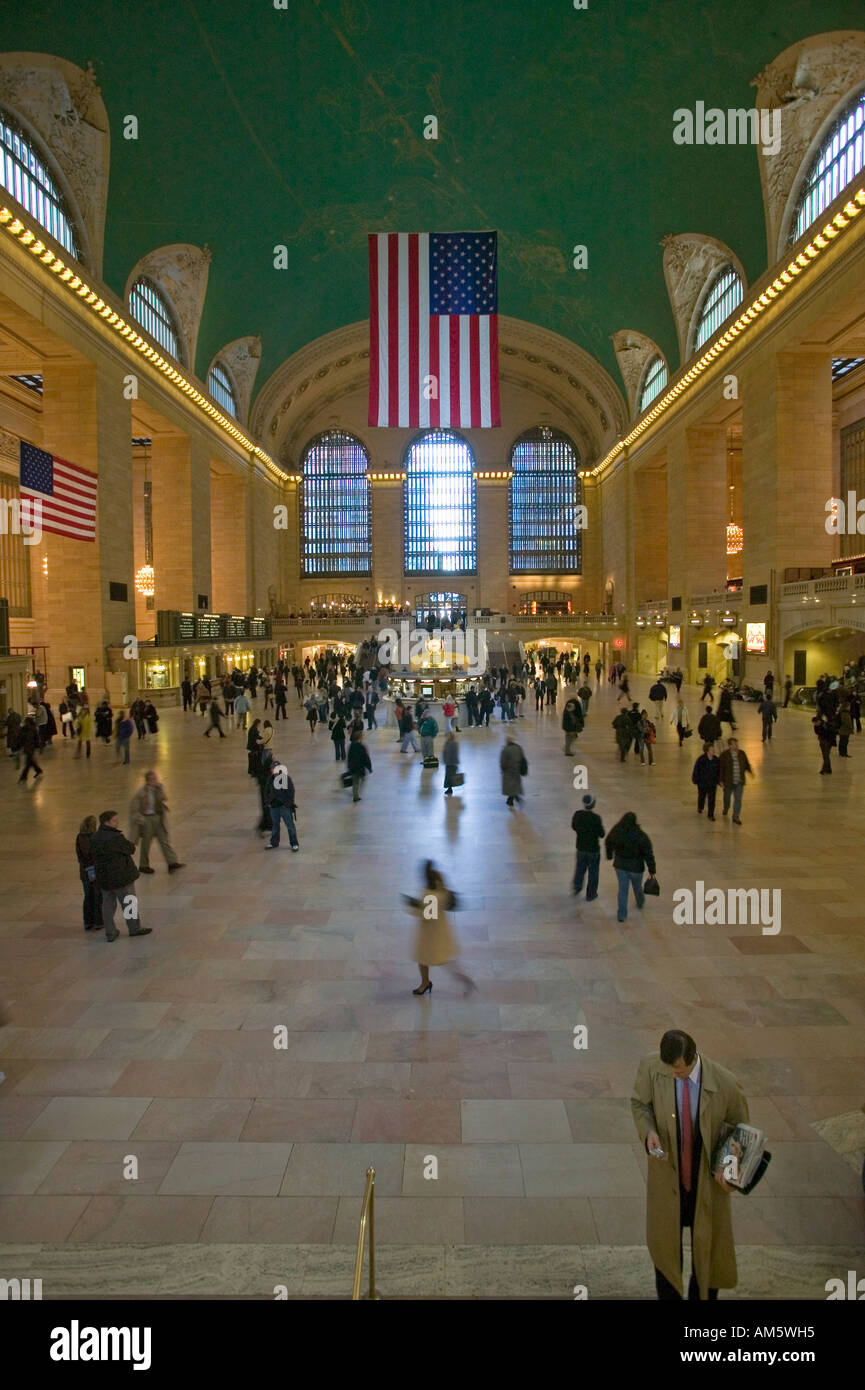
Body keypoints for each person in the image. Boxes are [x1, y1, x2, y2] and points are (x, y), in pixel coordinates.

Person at [631, 1029, 749, 1301]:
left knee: (707, 1253)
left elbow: (742, 1130)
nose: (675, 1075)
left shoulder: (725, 1083)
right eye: (671, 1070)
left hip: (706, 1182)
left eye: (681, 1072)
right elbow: (640, 1105)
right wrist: (648, 1131)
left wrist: (730, 1163)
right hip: (668, 1178)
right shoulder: (652, 1068)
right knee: (665, 1251)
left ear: (693, 1058)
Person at [405, 860, 475, 997]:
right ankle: (425, 982)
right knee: (427, 959)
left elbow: (428, 916)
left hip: (431, 934)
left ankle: (462, 979)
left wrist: (413, 906)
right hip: (439, 930)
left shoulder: (430, 895)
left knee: (437, 959)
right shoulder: (439, 885)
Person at [90, 810, 152, 941]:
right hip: (121, 876)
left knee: (107, 906)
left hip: (104, 877)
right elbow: (131, 849)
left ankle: (110, 932)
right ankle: (134, 928)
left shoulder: (95, 837)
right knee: (129, 903)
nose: (117, 822)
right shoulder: (115, 837)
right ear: (106, 822)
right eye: (114, 820)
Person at [605, 811, 656, 922]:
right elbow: (648, 853)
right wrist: (652, 869)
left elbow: (608, 841)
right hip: (636, 868)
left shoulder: (617, 831)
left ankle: (622, 915)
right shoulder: (641, 835)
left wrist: (610, 855)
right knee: (637, 887)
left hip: (620, 866)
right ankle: (640, 902)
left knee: (623, 890)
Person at [130, 770, 184, 874]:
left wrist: (160, 789)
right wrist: (141, 819)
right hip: (147, 820)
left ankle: (171, 862)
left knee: (164, 840)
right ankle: (143, 865)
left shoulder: (158, 789)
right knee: (146, 844)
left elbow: (164, 798)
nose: (156, 781)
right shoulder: (141, 793)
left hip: (158, 818)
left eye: (156, 778)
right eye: (153, 779)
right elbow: (134, 809)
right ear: (148, 781)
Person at [571, 793, 605, 901]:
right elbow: (602, 834)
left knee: (580, 868)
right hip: (593, 849)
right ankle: (591, 894)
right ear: (593, 804)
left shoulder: (577, 814)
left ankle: (577, 886)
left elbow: (574, 826)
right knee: (593, 872)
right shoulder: (596, 818)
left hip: (581, 847)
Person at [75, 815, 103, 931]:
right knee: (98, 896)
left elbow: (79, 855)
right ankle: (98, 922)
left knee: (88, 896)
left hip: (84, 871)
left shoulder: (79, 837)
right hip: (95, 871)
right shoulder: (95, 837)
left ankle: (87, 921)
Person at [265, 764, 299, 850]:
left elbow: (291, 792)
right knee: (275, 825)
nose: (273, 770)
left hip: (284, 807)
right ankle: (274, 842)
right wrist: (268, 802)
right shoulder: (270, 779)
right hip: (274, 807)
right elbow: (266, 791)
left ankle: (294, 843)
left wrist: (287, 804)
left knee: (290, 826)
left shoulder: (286, 778)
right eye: (272, 768)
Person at [717, 737, 752, 823]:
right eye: (734, 744)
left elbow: (746, 764)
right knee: (727, 798)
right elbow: (721, 769)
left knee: (738, 799)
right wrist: (720, 781)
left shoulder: (742, 753)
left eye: (737, 744)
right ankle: (726, 808)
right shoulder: (724, 755)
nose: (737, 746)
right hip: (728, 782)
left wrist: (750, 771)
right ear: (730, 746)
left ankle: (735, 816)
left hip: (739, 781)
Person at [691, 743, 720, 820]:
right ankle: (700, 807)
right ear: (707, 751)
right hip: (702, 783)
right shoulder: (701, 759)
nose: (713, 750)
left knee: (712, 799)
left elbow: (719, 771)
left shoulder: (716, 759)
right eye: (711, 749)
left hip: (712, 783)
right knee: (702, 796)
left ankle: (711, 815)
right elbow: (696, 770)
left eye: (713, 749)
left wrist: (719, 781)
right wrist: (695, 779)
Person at [500, 734, 526, 807]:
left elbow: (503, 762)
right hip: (516, 770)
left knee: (510, 786)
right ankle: (510, 800)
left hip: (508, 771)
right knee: (514, 785)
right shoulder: (518, 748)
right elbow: (522, 758)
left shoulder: (505, 750)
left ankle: (515, 798)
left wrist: (502, 769)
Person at [17, 716, 43, 783]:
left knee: (28, 762)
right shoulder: (28, 729)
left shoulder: (30, 729)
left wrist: (38, 747)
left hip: (30, 747)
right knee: (30, 761)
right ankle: (38, 770)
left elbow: (36, 739)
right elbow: (21, 738)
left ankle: (24, 776)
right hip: (29, 747)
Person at [347, 730, 372, 802]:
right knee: (362, 780)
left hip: (353, 767)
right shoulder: (362, 746)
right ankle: (357, 793)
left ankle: (355, 795)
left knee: (355, 782)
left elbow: (349, 757)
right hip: (360, 767)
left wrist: (349, 766)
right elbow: (366, 758)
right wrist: (369, 767)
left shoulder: (351, 746)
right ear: (360, 738)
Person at [442, 729, 460, 796]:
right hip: (448, 763)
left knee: (450, 776)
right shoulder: (447, 743)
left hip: (452, 763)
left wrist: (455, 762)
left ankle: (450, 788)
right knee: (448, 776)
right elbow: (445, 752)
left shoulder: (454, 744)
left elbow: (455, 754)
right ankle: (449, 788)